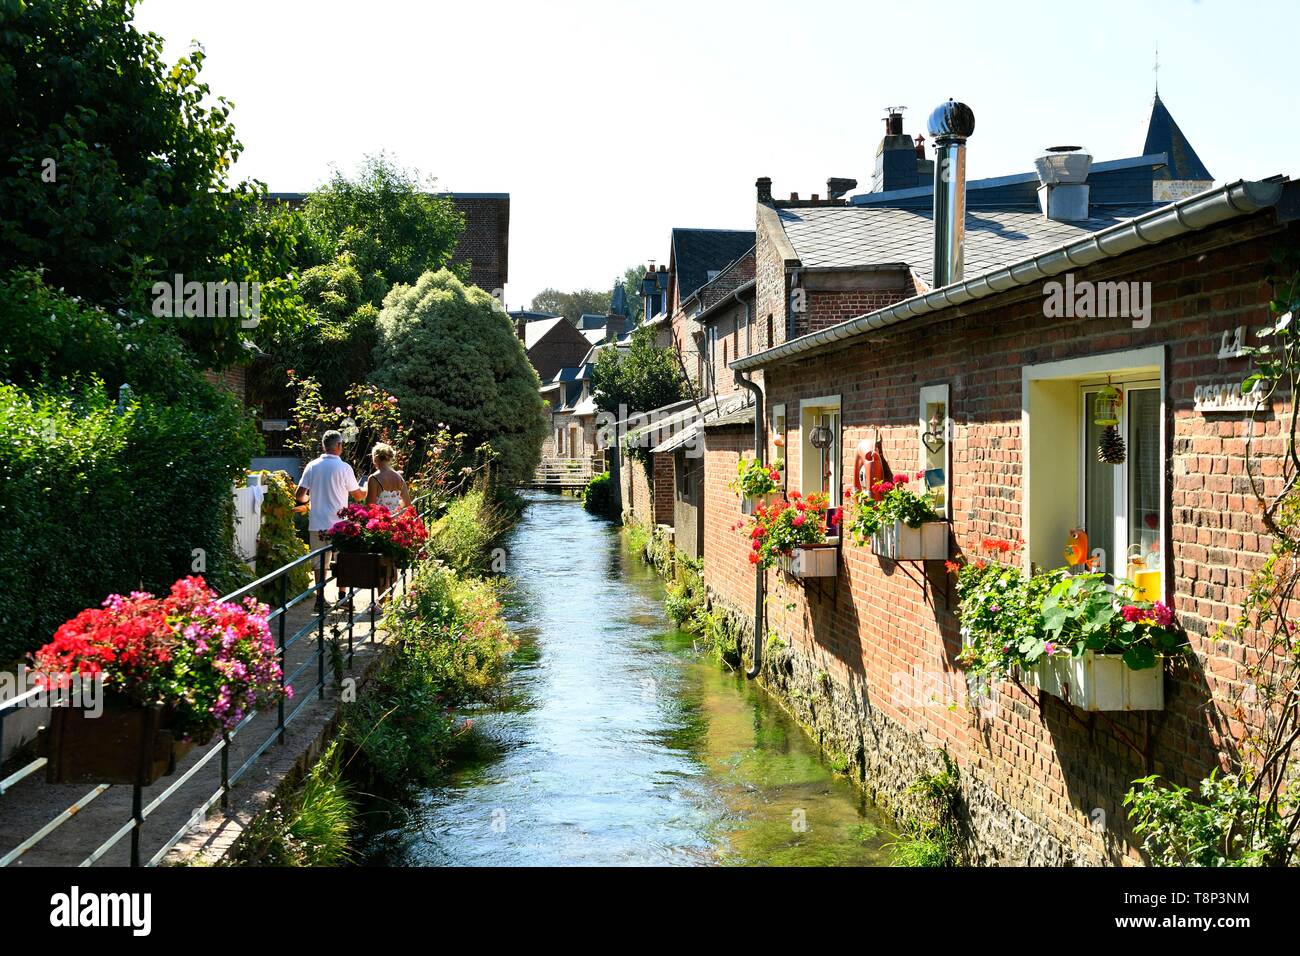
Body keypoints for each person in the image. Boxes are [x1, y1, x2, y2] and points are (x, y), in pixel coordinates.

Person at [295, 430, 365, 596]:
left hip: (318, 522)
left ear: (323, 446)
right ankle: (342, 595)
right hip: (340, 524)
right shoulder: (344, 468)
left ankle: (320, 599)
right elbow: (357, 495)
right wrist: (367, 488)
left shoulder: (312, 466)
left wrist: (307, 501)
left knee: (320, 563)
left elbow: (299, 494)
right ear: (339, 446)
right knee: (343, 559)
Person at [365, 442, 411, 514]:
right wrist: (395, 507)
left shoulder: (374, 478)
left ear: (376, 458)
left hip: (380, 522)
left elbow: (370, 507)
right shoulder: (399, 478)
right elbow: (408, 504)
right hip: (397, 522)